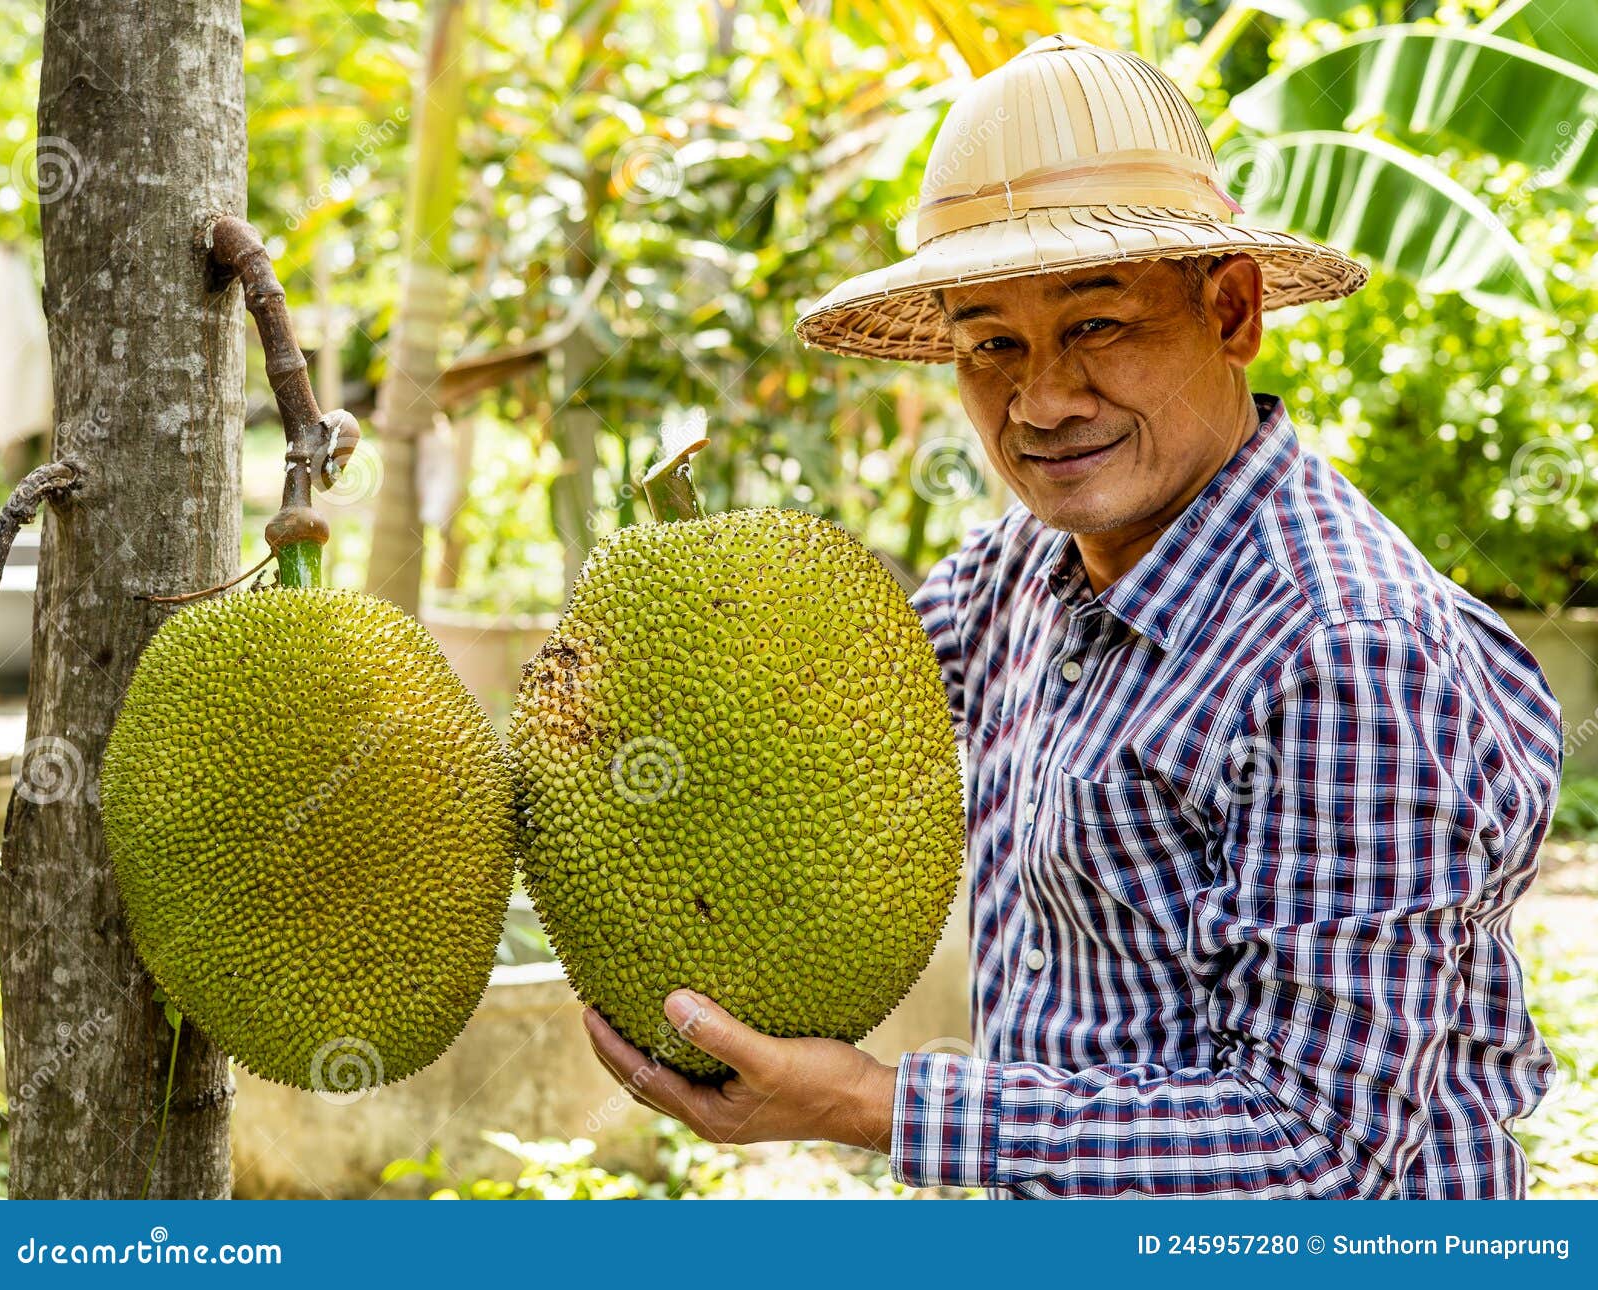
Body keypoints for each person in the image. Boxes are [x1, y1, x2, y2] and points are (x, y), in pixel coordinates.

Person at [583, 33, 1565, 1198]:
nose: (1039, 400)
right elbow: (807, 722)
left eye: (1095, 326)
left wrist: (871, 1105)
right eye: (991, 343)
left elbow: (1312, 1145)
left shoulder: (1347, 650)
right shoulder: (1016, 576)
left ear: (1233, 311)